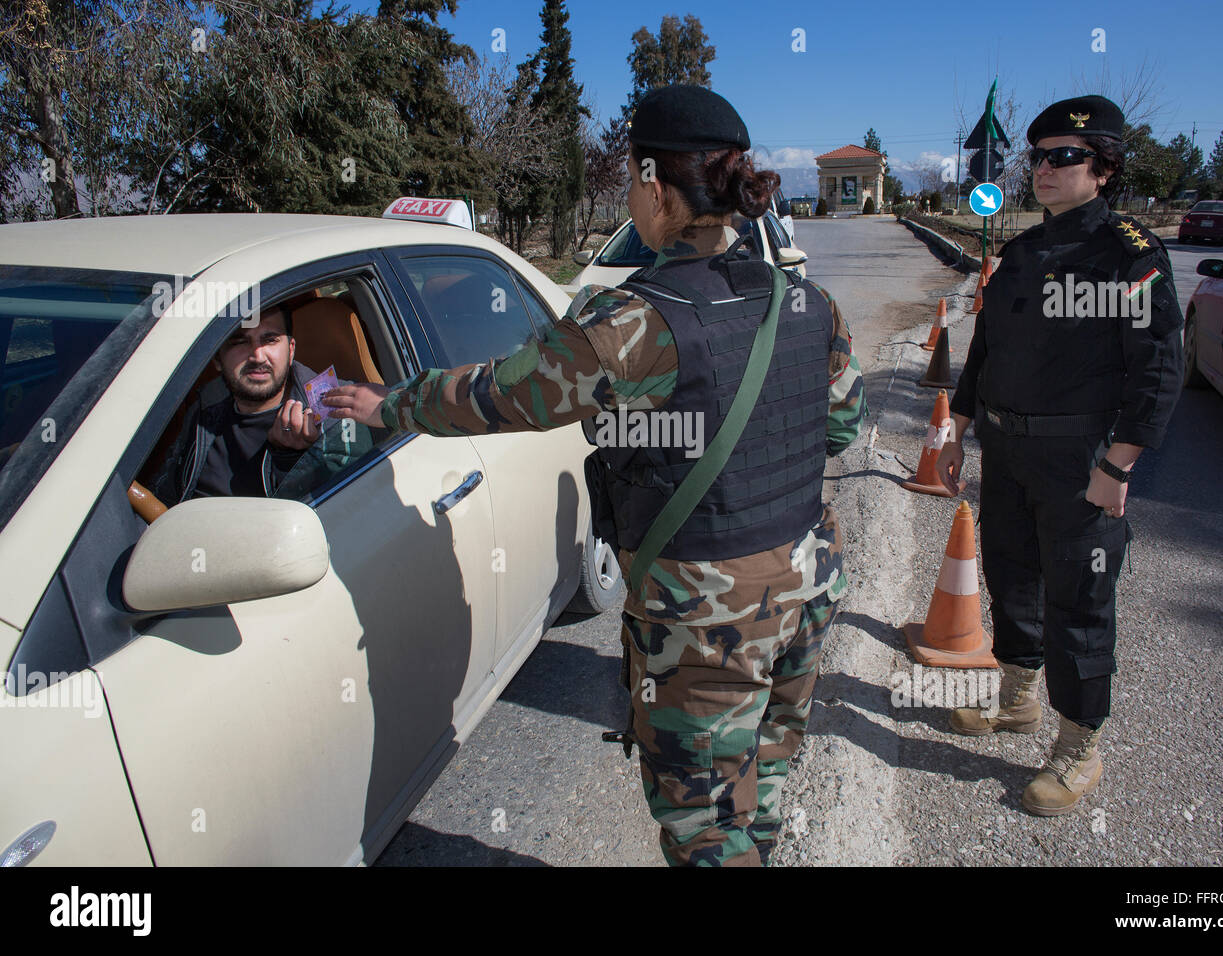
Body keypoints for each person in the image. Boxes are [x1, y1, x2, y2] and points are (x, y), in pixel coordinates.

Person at [325, 84, 865, 866]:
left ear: (653, 183)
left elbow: (500, 396)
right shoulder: (806, 298)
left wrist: (387, 404)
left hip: (709, 616)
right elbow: (842, 428)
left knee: (705, 827)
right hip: (809, 580)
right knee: (761, 780)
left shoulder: (633, 322)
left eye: (628, 180)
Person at [936, 95, 1184, 816]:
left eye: (1062, 157)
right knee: (1011, 573)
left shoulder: (1129, 254)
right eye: (1036, 157)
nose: (1041, 168)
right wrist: (957, 428)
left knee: (1079, 599)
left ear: (1103, 168)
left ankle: (1079, 746)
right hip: (1007, 451)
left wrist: (1119, 466)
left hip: (1081, 460)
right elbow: (987, 349)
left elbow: (1157, 370)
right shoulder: (1021, 251)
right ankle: (1018, 697)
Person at [149, 306, 369, 505]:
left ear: (291, 350)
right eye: (239, 342)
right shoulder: (205, 406)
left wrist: (290, 462)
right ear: (217, 359)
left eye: (270, 340)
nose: (257, 355)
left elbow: (349, 514)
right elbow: (164, 495)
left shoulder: (337, 409)